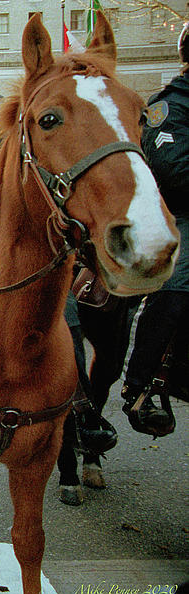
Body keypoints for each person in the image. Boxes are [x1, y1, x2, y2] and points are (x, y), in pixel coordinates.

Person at [119, 23, 189, 437]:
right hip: (180, 213)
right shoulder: (170, 106)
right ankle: (140, 381)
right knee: (177, 285)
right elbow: (172, 167)